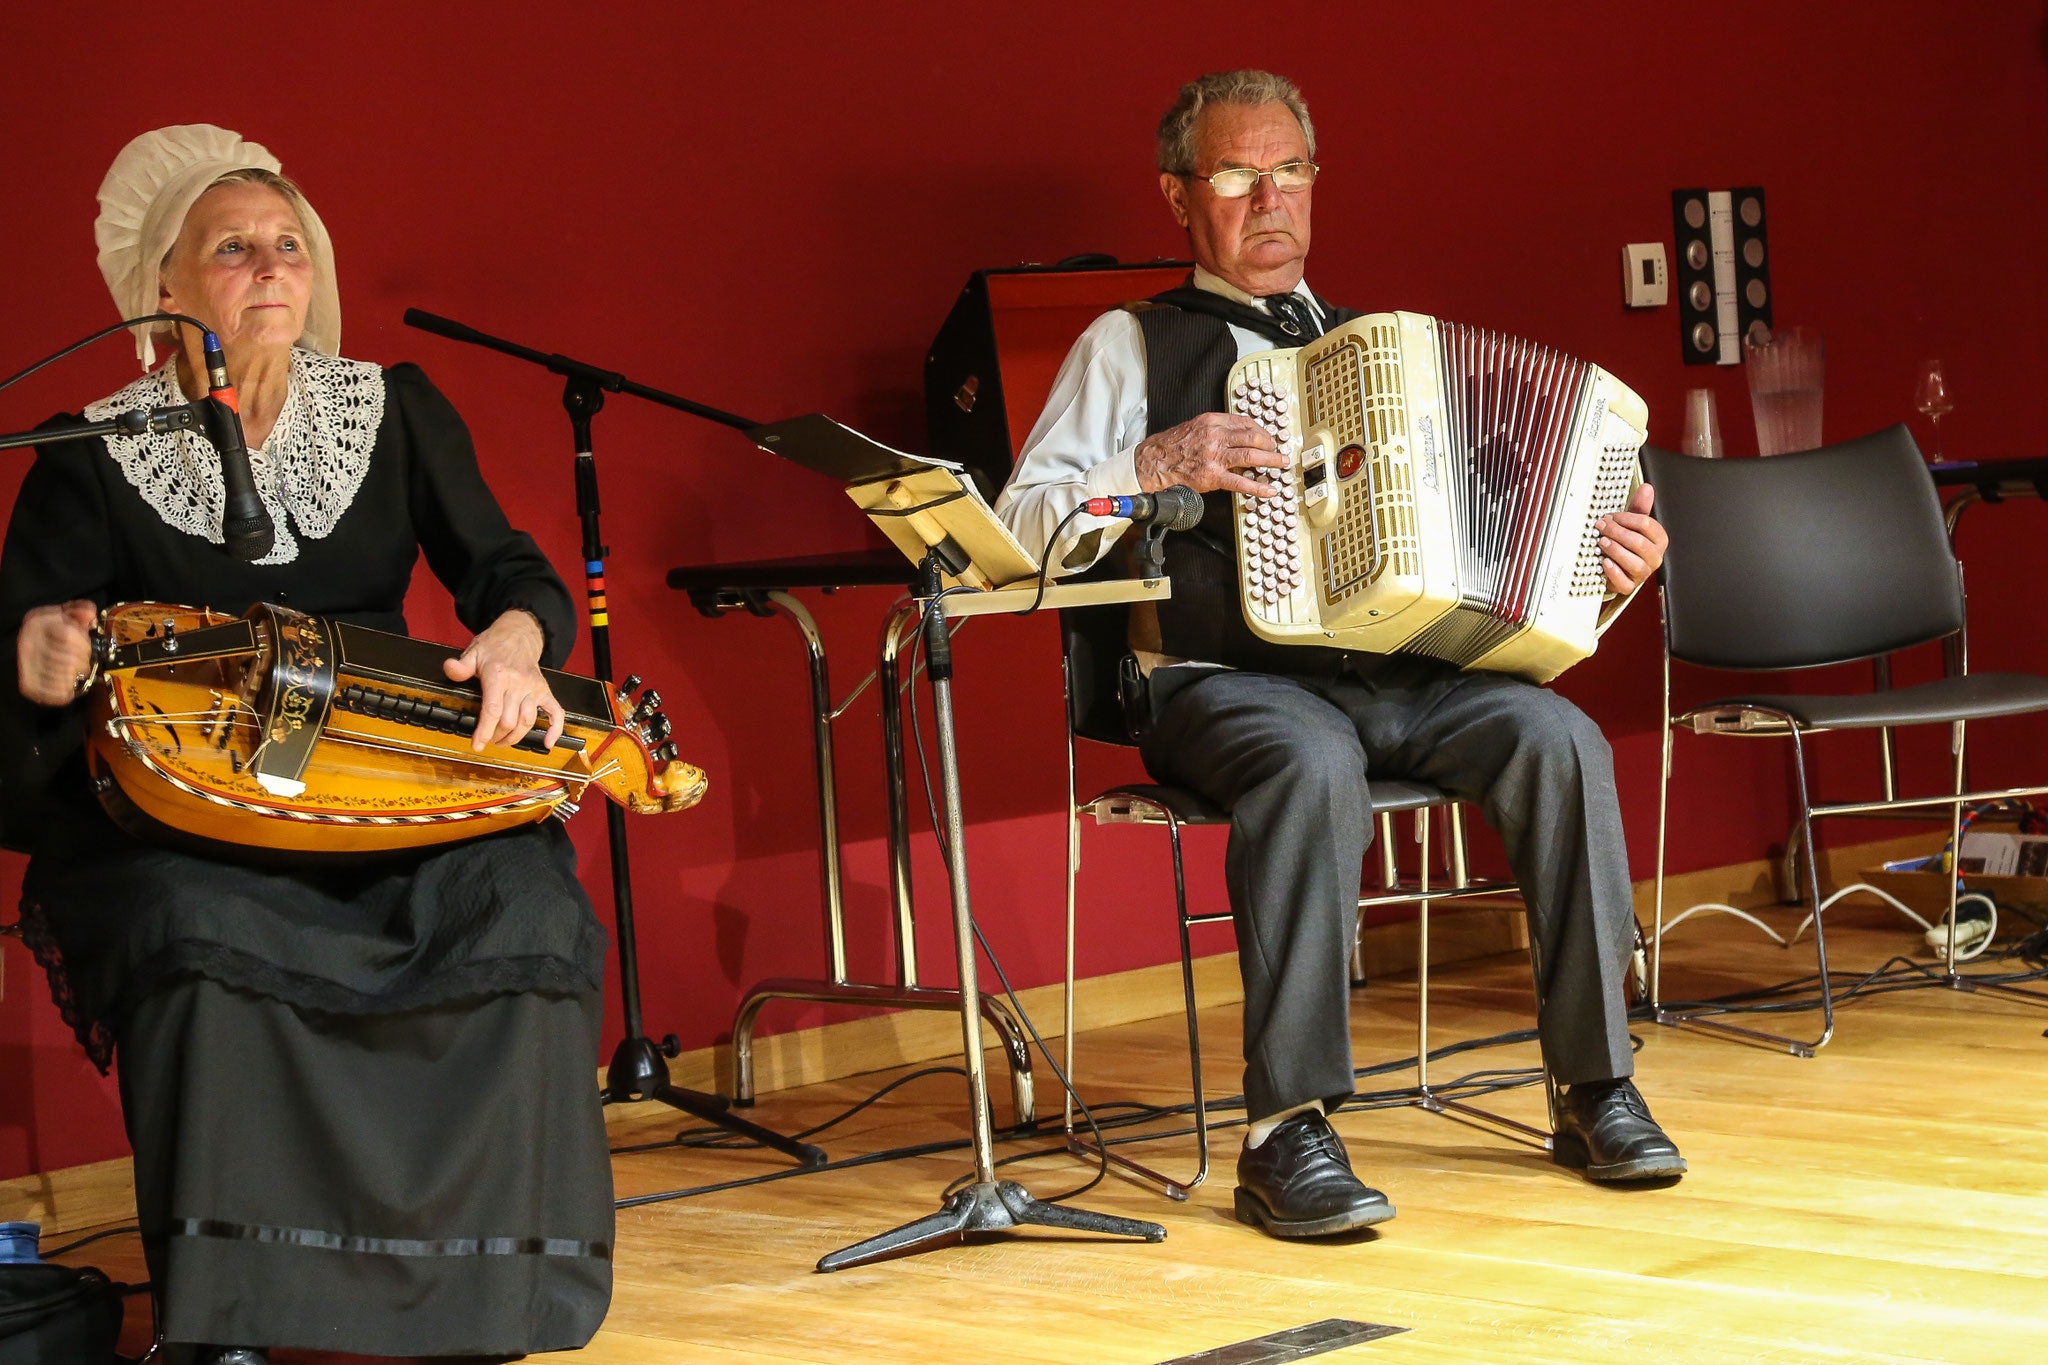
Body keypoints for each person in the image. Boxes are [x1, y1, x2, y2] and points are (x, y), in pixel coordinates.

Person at [997, 71, 1684, 1240]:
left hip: (1402, 680)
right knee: (1311, 762)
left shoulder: (1378, 352)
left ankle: (1594, 1084)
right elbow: (1019, 532)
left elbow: (1490, 543)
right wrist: (1149, 465)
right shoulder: (1127, 343)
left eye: (1289, 171)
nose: (1268, 198)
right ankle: (1286, 1131)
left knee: (1558, 738)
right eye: (1234, 174)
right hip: (1218, 684)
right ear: (1176, 196)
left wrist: (1602, 566)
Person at [3, 125, 612, 1362]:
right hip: (191, 807)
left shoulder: (391, 410)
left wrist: (512, 640)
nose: (272, 267)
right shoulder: (91, 451)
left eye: (289, 244)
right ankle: (232, 1315)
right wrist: (38, 660)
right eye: (233, 249)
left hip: (384, 784)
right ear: (164, 284)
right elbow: (31, 644)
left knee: (521, 900)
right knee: (193, 926)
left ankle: (486, 1296)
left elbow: (514, 575)